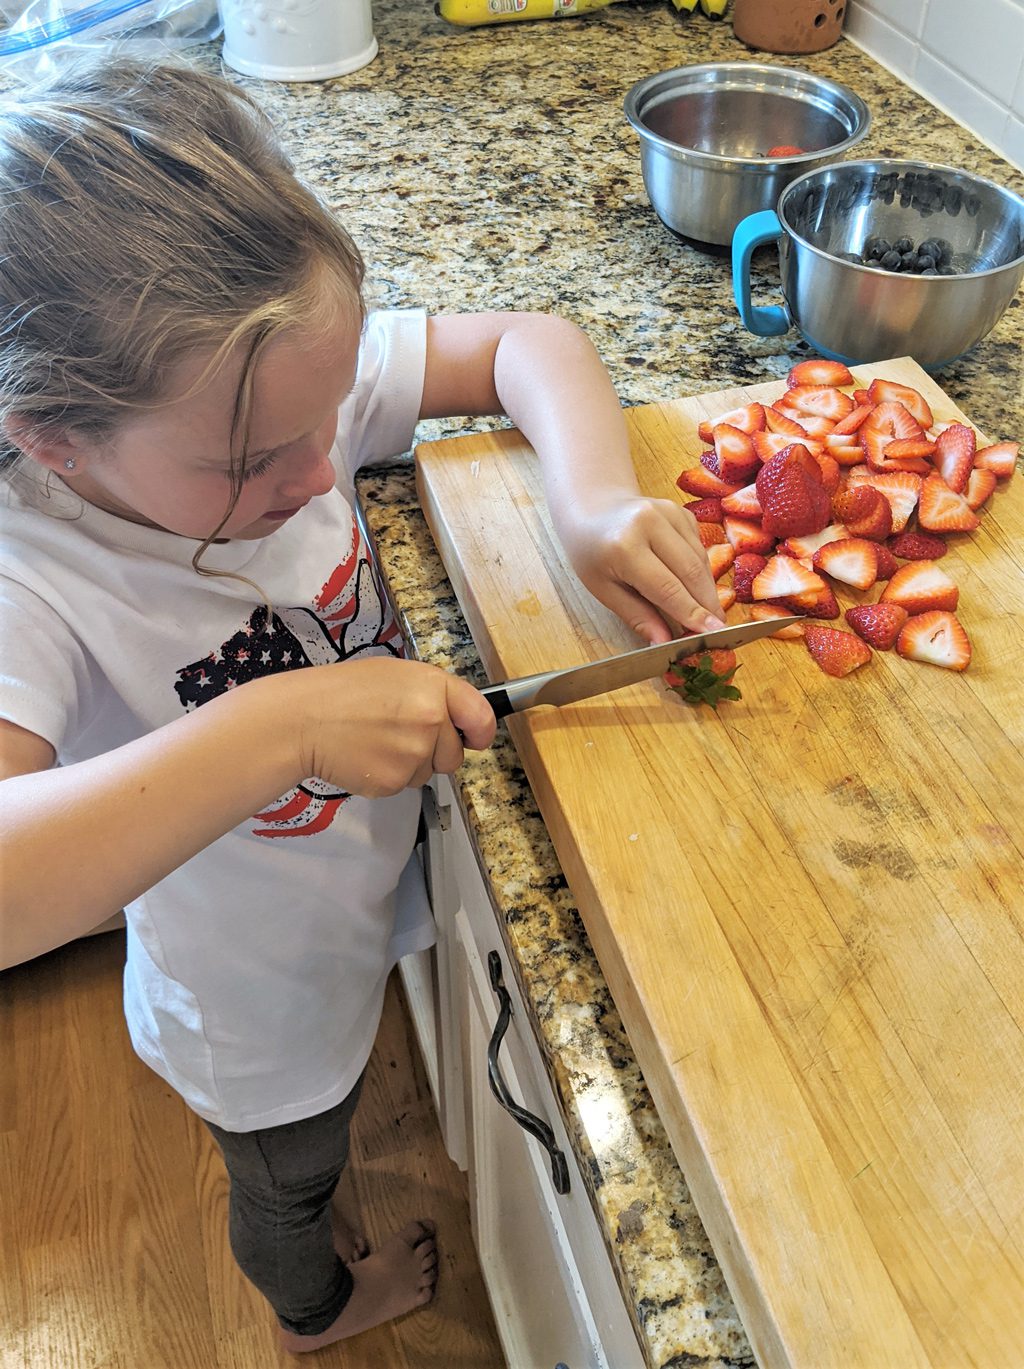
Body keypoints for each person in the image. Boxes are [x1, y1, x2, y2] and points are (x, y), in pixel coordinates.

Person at [0, 55, 722, 1353]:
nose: (319, 465)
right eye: (256, 460)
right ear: (56, 438)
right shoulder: (34, 575)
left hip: (346, 902)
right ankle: (315, 1304)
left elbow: (527, 344)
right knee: (290, 1173)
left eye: (331, 416)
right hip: (252, 1006)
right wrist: (287, 722)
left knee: (331, 1111)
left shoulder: (271, 382)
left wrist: (594, 501)